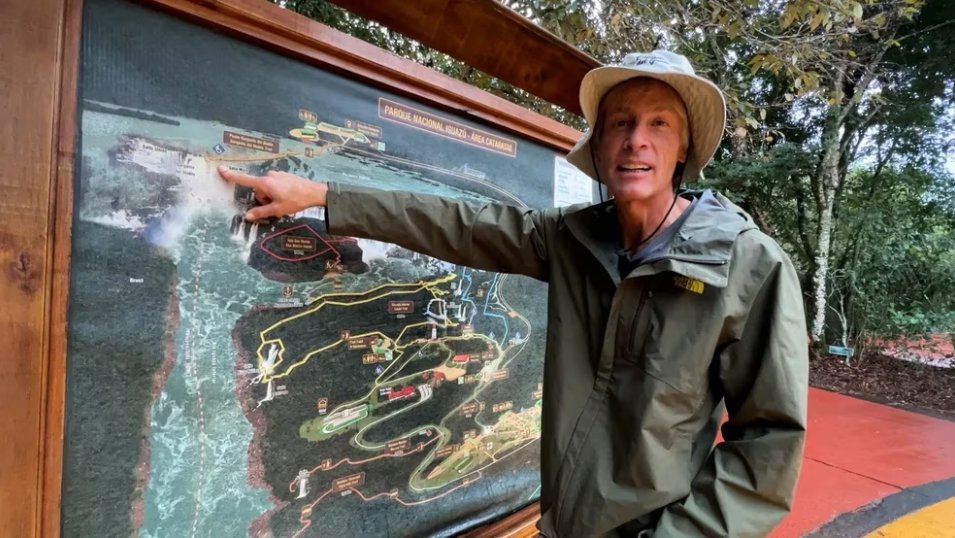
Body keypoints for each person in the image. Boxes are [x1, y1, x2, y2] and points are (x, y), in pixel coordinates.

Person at [219, 50, 809, 538]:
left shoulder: (746, 265)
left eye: (659, 124)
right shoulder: (570, 239)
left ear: (683, 150)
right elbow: (457, 222)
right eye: (620, 124)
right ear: (599, 148)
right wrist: (321, 194)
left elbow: (769, 439)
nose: (637, 141)